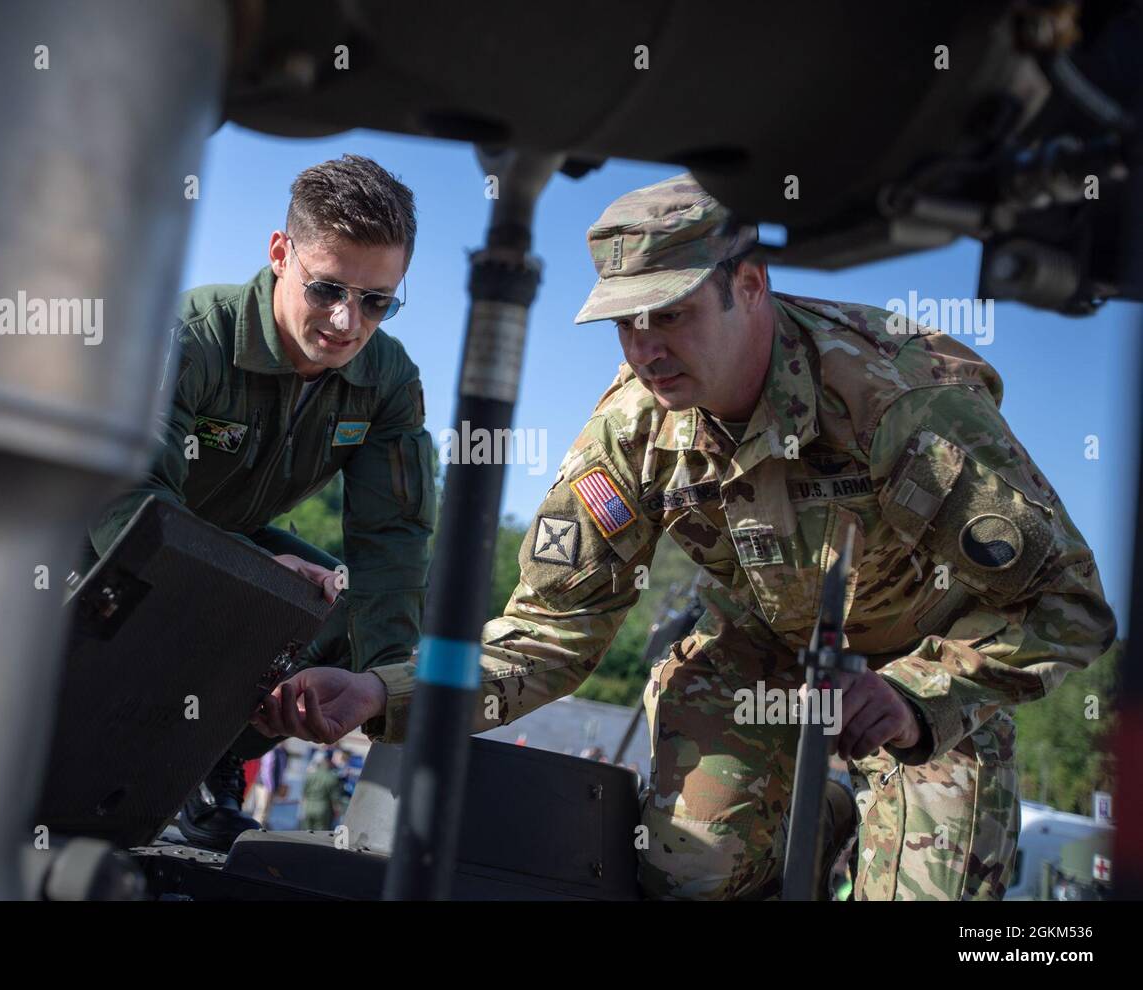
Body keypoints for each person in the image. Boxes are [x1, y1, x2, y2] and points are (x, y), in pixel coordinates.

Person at [249, 174, 1116, 899]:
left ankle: (861, 820)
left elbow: (1069, 605)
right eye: (627, 322)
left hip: (935, 669)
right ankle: (809, 831)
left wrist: (922, 700)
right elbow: (547, 636)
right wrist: (378, 693)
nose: (646, 347)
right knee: (690, 876)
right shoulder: (632, 432)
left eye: (670, 314)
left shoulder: (901, 404)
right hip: (762, 650)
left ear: (749, 286)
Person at [85, 155, 435, 851]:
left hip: (229, 546)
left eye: (376, 301)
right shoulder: (192, 334)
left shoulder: (387, 383)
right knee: (271, 590)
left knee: (347, 608)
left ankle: (212, 756)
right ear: (281, 254)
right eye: (328, 288)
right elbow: (125, 496)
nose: (345, 321)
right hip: (94, 540)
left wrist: (382, 684)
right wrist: (254, 569)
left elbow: (393, 541)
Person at [298, 748, 346, 832]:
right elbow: (334, 799)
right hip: (323, 809)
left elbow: (303, 793)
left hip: (308, 807)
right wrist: (338, 811)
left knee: (305, 834)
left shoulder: (310, 775)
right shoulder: (332, 778)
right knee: (319, 836)